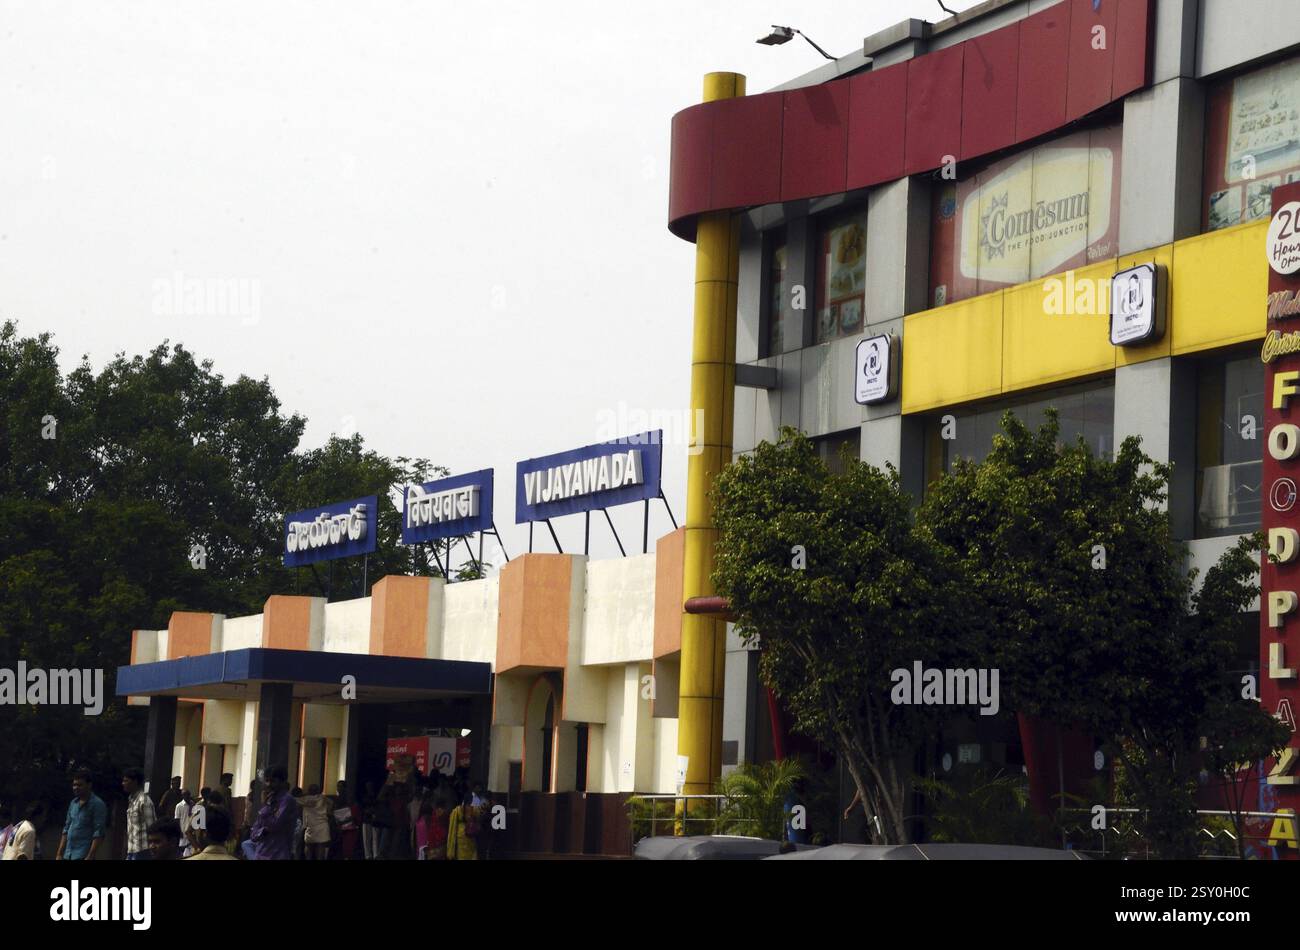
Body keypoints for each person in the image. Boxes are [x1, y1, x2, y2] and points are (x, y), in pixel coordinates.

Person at [248, 765, 300, 860]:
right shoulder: (269, 799)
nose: (268, 784)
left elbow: (275, 824)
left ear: (283, 782)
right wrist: (262, 831)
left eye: (273, 781)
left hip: (278, 854)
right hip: (261, 853)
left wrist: (266, 806)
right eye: (267, 781)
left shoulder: (287, 800)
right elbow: (255, 831)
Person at [57, 768, 107, 861]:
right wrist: (59, 854)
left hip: (83, 855)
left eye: (80, 785)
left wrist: (90, 856)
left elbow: (99, 833)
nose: (76, 787)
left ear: (89, 785)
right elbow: (66, 829)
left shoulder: (97, 804)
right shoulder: (73, 803)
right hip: (68, 854)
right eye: (74, 785)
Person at [122, 767, 157, 861]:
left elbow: (153, 827)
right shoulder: (131, 800)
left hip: (143, 850)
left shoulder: (144, 800)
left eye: (126, 781)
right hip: (132, 850)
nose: (123, 783)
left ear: (135, 782)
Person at [300, 784, 332, 860]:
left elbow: (294, 799)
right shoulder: (323, 798)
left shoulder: (305, 799)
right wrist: (328, 811)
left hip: (311, 826)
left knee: (308, 847)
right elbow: (331, 802)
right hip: (322, 826)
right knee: (321, 847)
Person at [446, 790, 479, 861]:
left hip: (460, 838)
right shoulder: (475, 809)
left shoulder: (457, 810)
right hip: (471, 838)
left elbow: (452, 829)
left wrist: (450, 850)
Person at [174, 789, 196, 857]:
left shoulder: (193, 804)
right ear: (182, 796)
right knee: (182, 851)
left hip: (191, 832)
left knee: (191, 852)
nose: (187, 796)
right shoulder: (179, 806)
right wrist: (179, 831)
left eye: (188, 794)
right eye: (185, 795)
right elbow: (177, 820)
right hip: (183, 831)